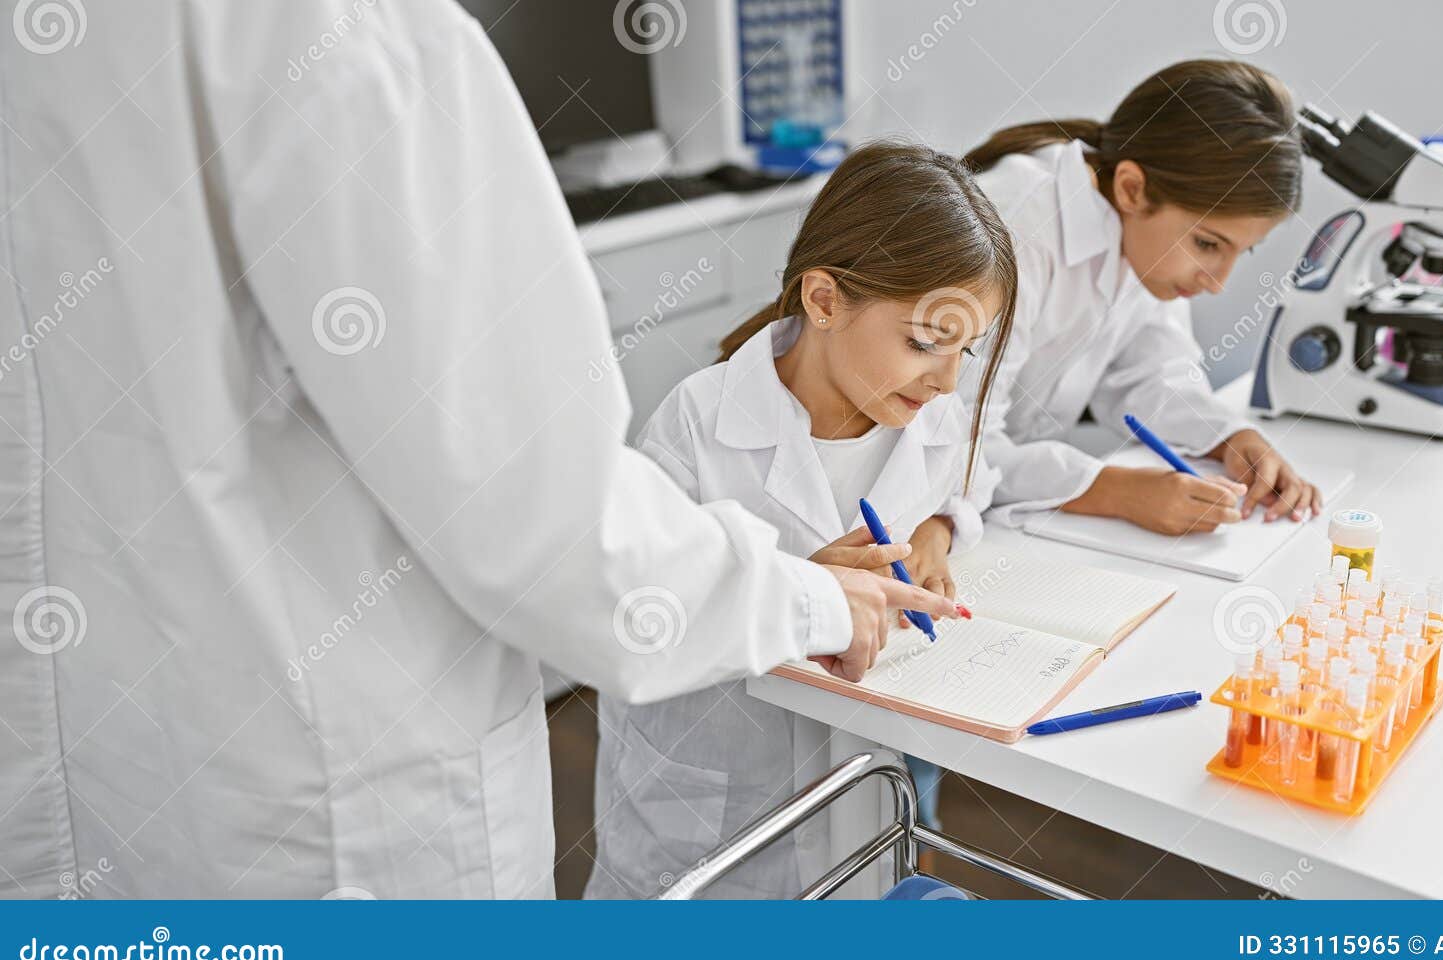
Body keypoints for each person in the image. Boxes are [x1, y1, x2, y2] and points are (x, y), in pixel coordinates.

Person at [0, 0, 956, 899]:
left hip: (97, 811)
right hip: (329, 835)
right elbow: (548, 521)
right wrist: (808, 595)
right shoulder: (349, 37)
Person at [585, 141, 1015, 899]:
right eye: (924, 343)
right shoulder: (699, 422)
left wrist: (940, 528)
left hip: (857, 793)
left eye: (967, 351)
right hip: (712, 806)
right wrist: (800, 594)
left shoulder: (932, 420)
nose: (948, 381)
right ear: (823, 301)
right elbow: (632, 622)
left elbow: (974, 478)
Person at [960, 59, 1323, 537]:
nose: (1217, 282)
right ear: (1133, 188)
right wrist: (1115, 491)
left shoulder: (1142, 238)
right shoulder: (1012, 231)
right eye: (1209, 245)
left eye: (1240, 251)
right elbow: (954, 445)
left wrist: (1228, 437)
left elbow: (1153, 374)